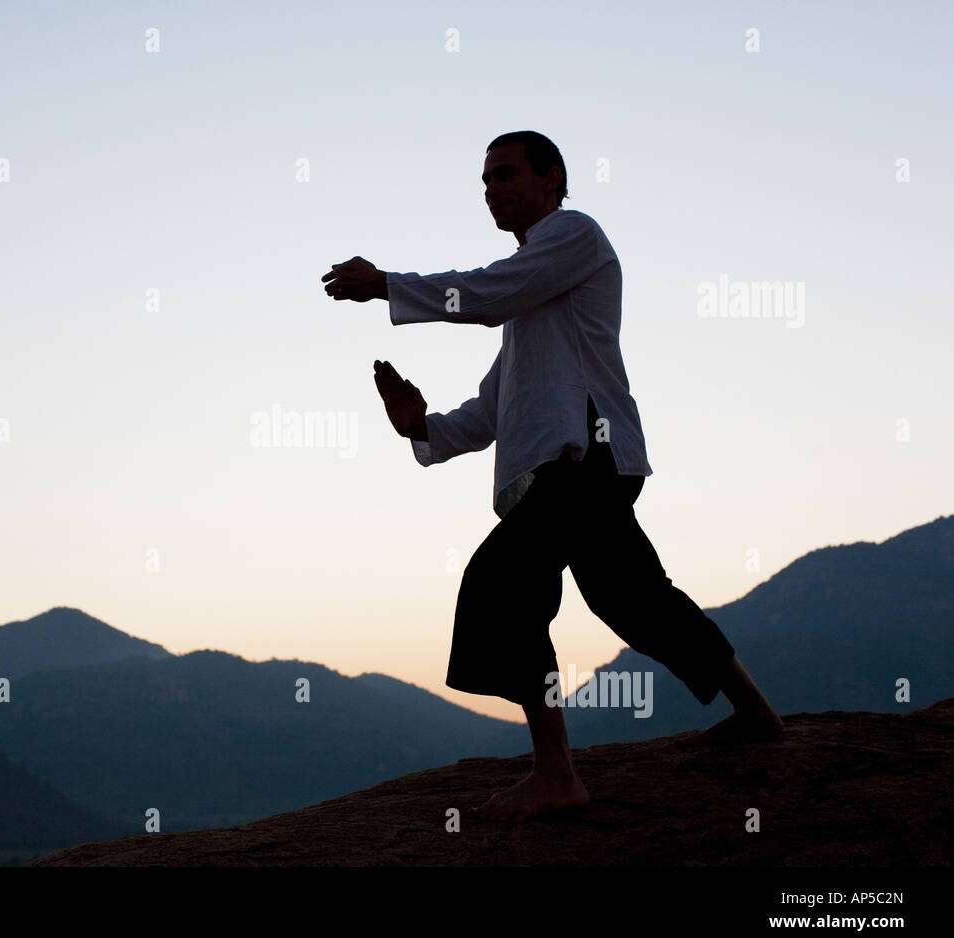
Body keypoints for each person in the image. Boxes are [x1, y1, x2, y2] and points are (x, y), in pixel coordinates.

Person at [320, 130, 783, 823]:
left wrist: (386, 284)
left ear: (552, 178)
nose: (492, 190)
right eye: (485, 181)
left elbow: (485, 293)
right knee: (632, 599)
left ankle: (557, 772)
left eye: (505, 175)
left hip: (582, 459)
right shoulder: (532, 301)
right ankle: (755, 714)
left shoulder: (572, 236)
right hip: (572, 469)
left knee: (501, 586)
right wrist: (419, 425)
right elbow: (489, 411)